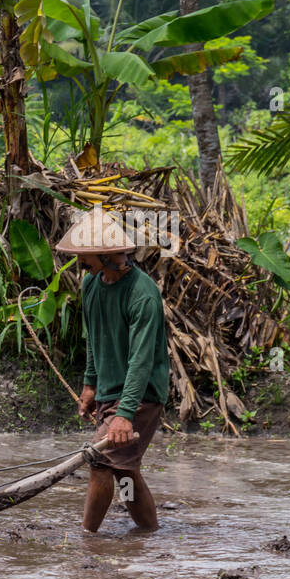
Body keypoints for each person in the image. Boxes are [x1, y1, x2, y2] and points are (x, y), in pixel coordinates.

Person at [53, 208, 170, 533]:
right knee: (124, 470)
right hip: (111, 390)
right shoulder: (91, 285)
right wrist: (90, 385)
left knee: (100, 462)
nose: (79, 262)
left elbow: (141, 361)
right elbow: (94, 338)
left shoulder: (142, 295)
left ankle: (86, 539)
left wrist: (124, 414)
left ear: (106, 255)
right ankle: (149, 535)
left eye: (86, 256)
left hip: (141, 393)